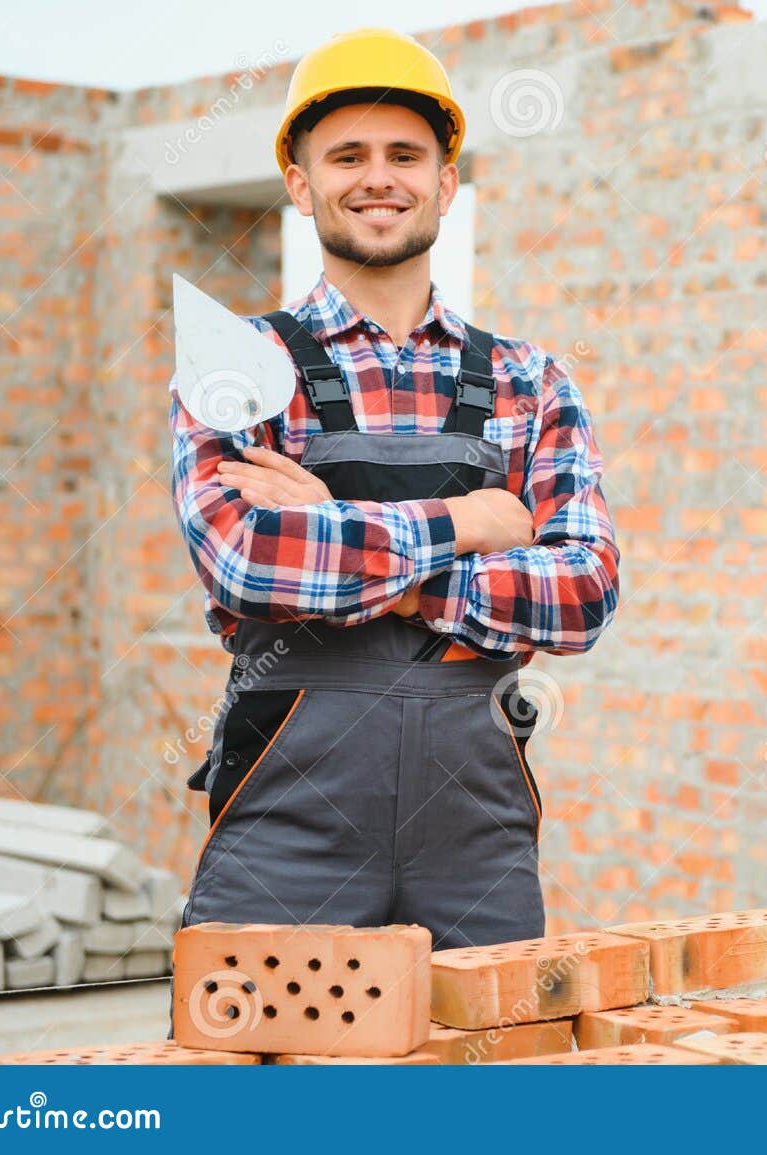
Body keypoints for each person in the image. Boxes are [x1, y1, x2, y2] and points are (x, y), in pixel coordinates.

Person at [166, 28, 619, 951]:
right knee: (260, 1081)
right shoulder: (235, 365)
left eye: (406, 155)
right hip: (288, 830)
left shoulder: (532, 380)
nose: (380, 177)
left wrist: (338, 534)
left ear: (446, 181)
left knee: (489, 1079)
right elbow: (247, 560)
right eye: (347, 156)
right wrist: (475, 521)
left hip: (476, 838)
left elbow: (582, 596)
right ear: (301, 183)